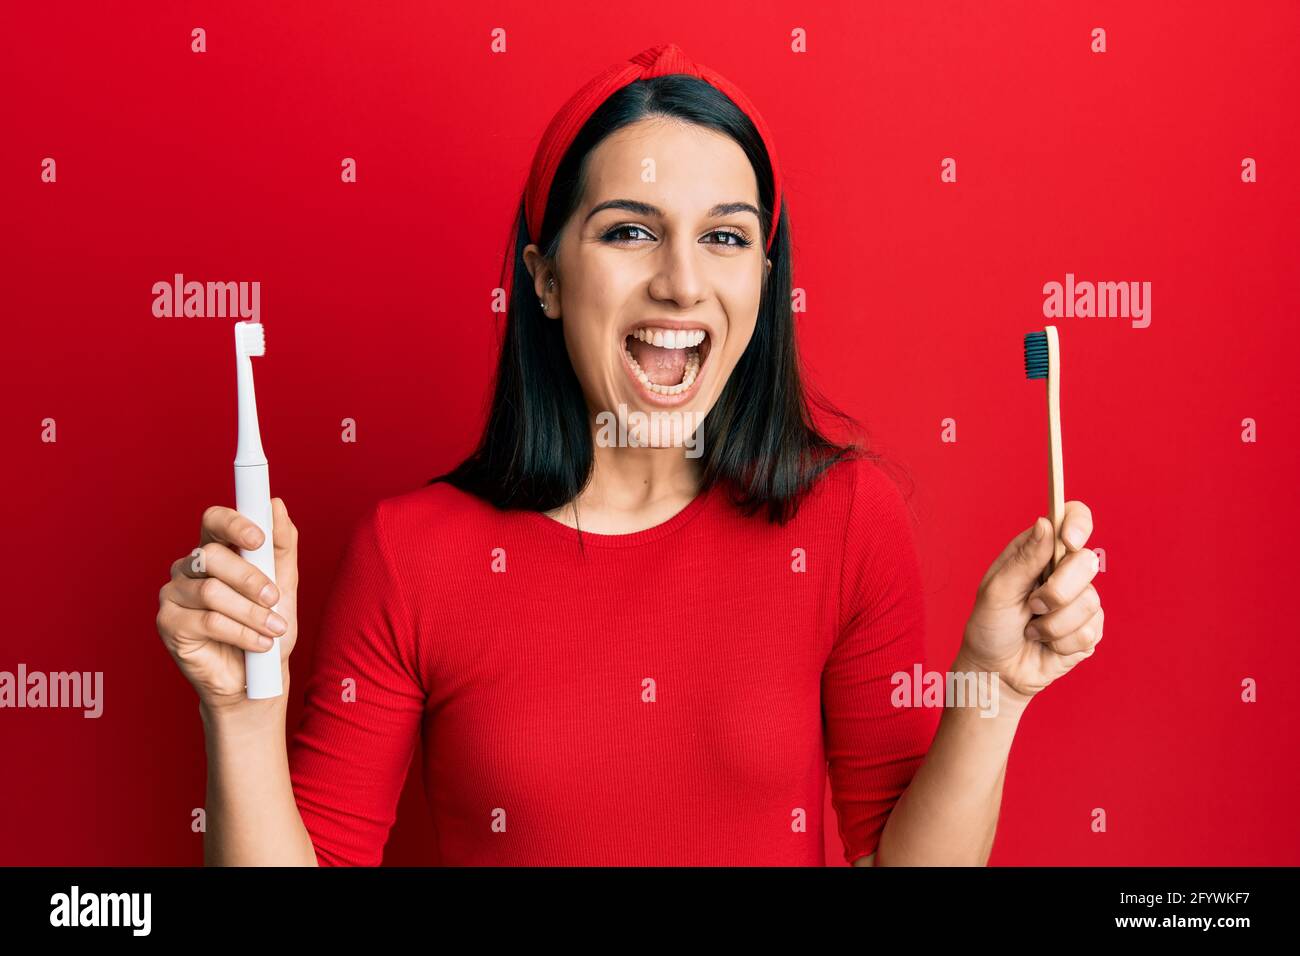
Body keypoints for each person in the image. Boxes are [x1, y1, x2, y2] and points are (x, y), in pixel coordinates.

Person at [156, 42, 1104, 866]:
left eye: (725, 237)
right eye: (629, 232)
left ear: (763, 281)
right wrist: (238, 718)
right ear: (545, 277)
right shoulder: (411, 555)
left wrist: (997, 686)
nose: (682, 283)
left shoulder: (847, 521)